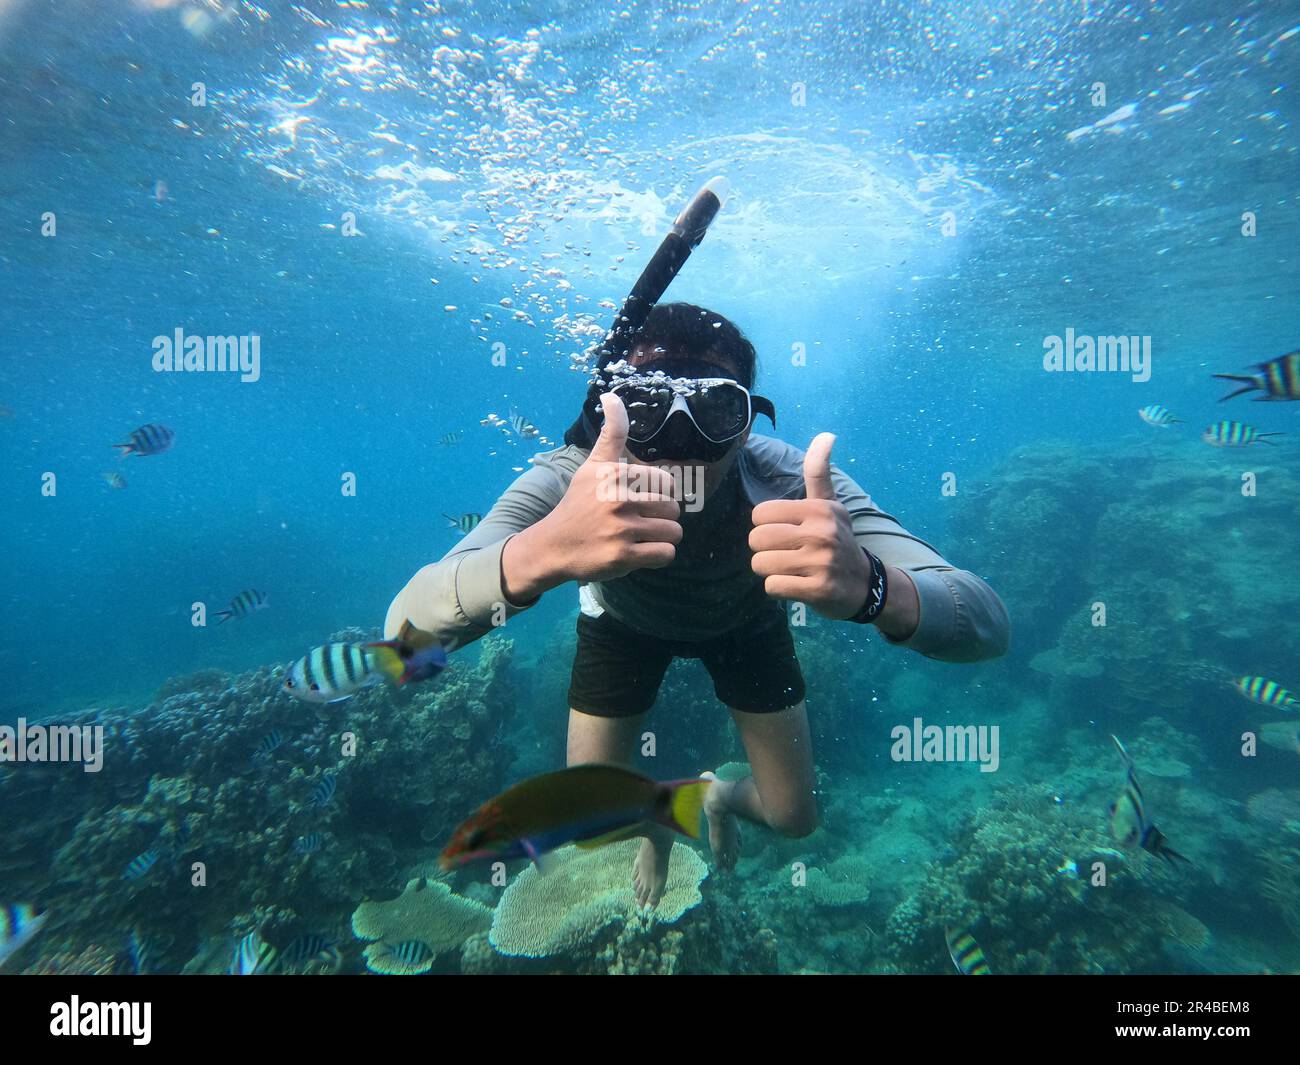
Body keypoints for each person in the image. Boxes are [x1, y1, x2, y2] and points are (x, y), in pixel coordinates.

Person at [386, 302, 1009, 906]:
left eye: (713, 407)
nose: (680, 442)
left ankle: (712, 796)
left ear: (746, 421)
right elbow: (403, 636)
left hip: (744, 623)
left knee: (794, 819)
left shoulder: (788, 477)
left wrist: (874, 587)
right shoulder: (566, 479)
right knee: (593, 824)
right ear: (611, 417)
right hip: (622, 627)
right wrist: (537, 554)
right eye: (649, 407)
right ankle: (657, 821)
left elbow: (987, 622)